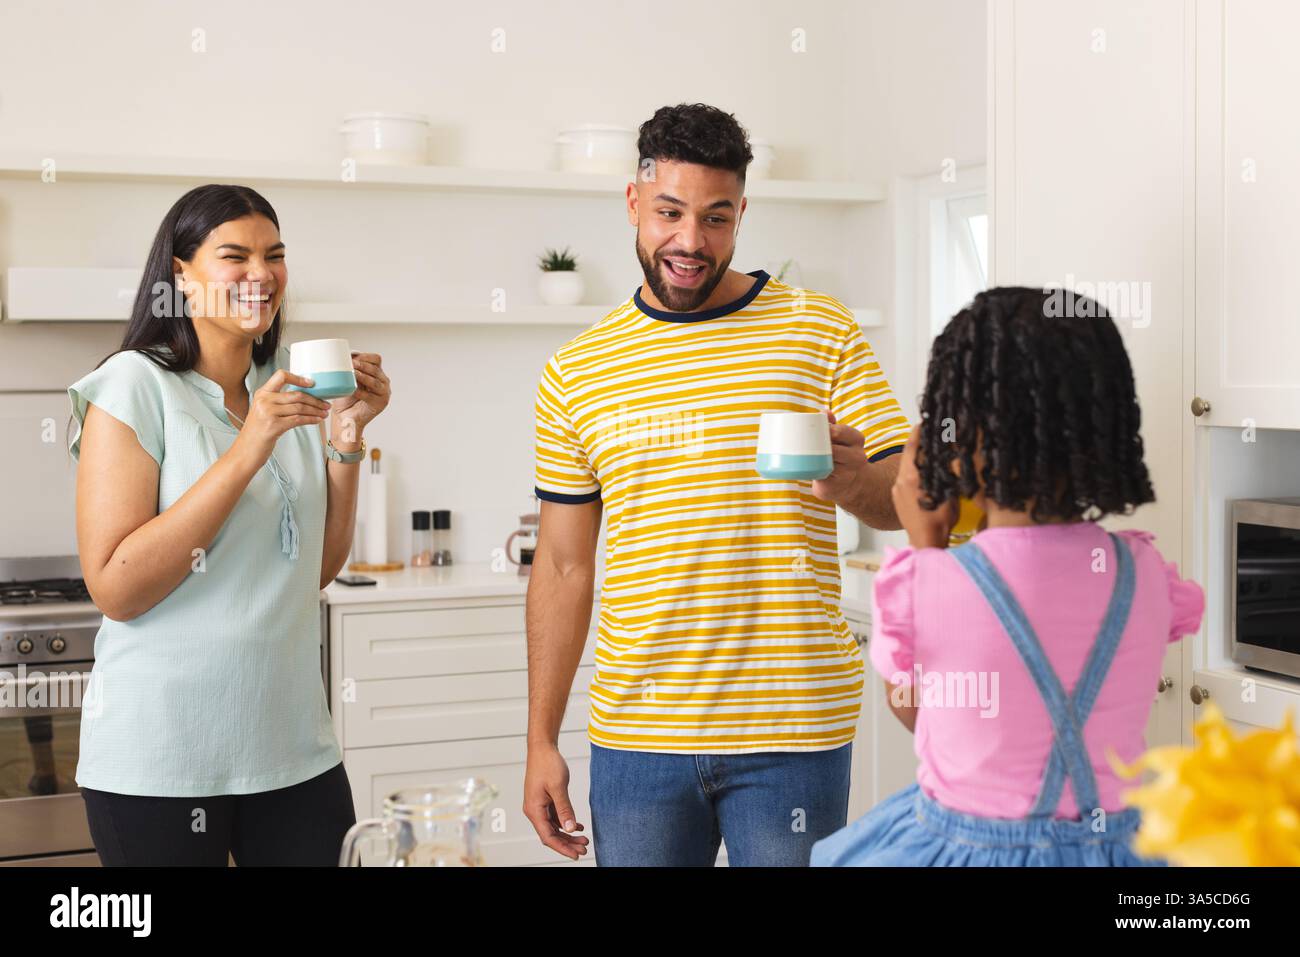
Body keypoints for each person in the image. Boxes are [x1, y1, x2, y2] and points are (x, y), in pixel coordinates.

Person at [522, 103, 911, 866]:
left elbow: (904, 496)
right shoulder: (579, 370)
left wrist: (854, 477)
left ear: (742, 213)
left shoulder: (818, 329)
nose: (690, 242)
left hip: (794, 731)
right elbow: (565, 566)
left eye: (716, 217)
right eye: (669, 212)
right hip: (637, 738)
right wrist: (541, 737)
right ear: (634, 203)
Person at [811, 286, 1204, 866]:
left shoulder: (929, 581)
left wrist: (926, 545)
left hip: (971, 846)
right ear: (1107, 423)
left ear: (962, 436)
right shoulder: (1144, 572)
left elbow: (919, 713)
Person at [67, 184, 391, 865]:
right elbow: (116, 588)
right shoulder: (134, 386)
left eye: (273, 256)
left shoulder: (290, 385)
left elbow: (316, 571)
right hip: (159, 761)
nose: (261, 274)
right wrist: (250, 447)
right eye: (234, 256)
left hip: (293, 749)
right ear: (179, 275)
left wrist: (346, 437)